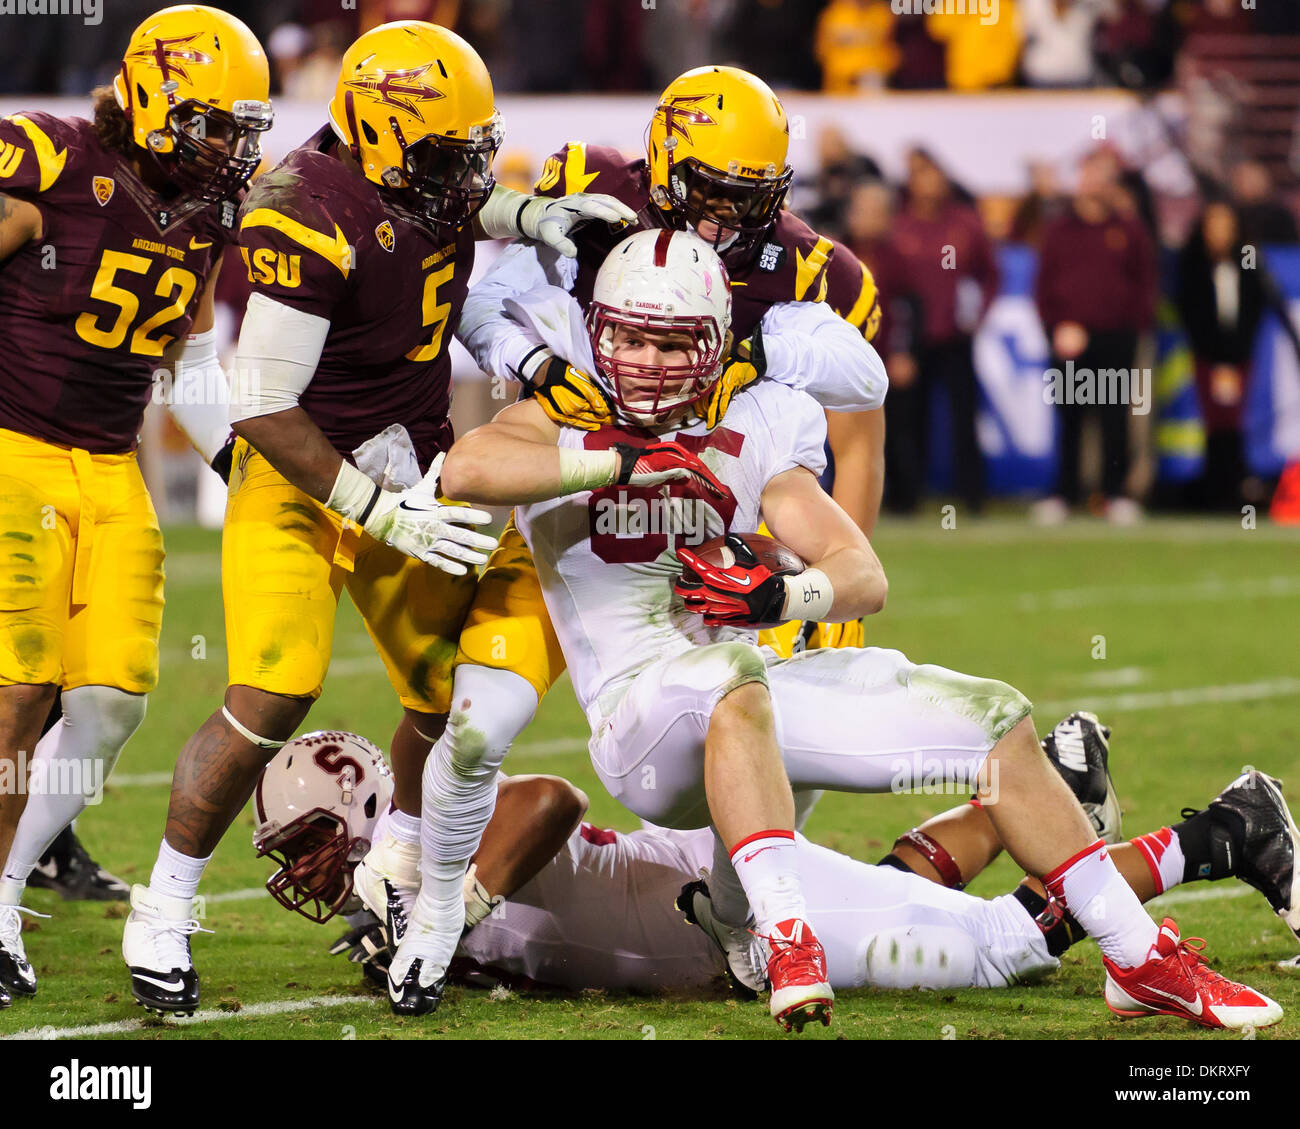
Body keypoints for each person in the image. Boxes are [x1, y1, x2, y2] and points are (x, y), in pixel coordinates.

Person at [433, 227, 1286, 1032]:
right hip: (641, 723)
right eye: (631, 339)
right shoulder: (561, 410)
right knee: (732, 674)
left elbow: (859, 571)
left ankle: (1138, 958)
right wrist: (621, 457)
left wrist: (783, 597)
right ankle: (783, 933)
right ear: (598, 333)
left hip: (747, 704)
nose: (648, 363)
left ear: (718, 345)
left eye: (674, 344)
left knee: (996, 719)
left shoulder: (755, 417)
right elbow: (469, 467)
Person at [118, 19, 636, 1018]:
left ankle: (397, 866)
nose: (468, 174)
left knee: (442, 700)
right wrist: (373, 512)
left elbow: (464, 203)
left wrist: (535, 217)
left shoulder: (416, 176)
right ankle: (165, 903)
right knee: (274, 693)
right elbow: (264, 404)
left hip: (410, 467)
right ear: (387, 136)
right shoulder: (303, 210)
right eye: (451, 154)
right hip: (304, 478)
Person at [389, 65, 888, 1020]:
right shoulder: (591, 196)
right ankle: (431, 906)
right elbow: (483, 312)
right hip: (572, 501)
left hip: (701, 528)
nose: (730, 218)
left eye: (753, 199)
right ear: (664, 165)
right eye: (714, 194)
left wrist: (749, 341)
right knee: (480, 716)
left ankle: (742, 918)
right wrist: (543, 373)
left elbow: (861, 375)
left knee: (777, 711)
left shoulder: (795, 270)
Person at [261, 720, 1294, 1026]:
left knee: (996, 952)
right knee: (905, 893)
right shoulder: (387, 908)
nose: (304, 868)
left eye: (307, 840)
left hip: (725, 905)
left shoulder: (438, 835)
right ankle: (1049, 789)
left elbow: (550, 800)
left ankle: (1226, 830)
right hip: (706, 920)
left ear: (358, 809)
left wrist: (452, 902)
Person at [0, 4, 276, 1007]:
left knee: (112, 701)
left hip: (110, 464)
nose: (227, 147)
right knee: (21, 691)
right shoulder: (52, 162)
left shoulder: (205, 213)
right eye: (214, 124)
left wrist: (242, 457)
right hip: (13, 446)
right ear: (156, 97)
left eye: (237, 129)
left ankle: (14, 871)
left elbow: (191, 359)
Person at [1032, 145, 1157, 524]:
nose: (1095, 183)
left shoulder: (1129, 229)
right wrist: (1056, 328)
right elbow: (1044, 286)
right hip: (1068, 338)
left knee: (1114, 416)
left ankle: (1115, 493)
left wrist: (1130, 329)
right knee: (1069, 417)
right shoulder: (1058, 229)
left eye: (1103, 177)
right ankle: (1064, 493)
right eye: (1089, 174)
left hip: (1115, 338)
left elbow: (1145, 284)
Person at [884, 147, 998, 515]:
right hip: (912, 341)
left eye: (932, 173)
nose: (928, 182)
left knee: (964, 418)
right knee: (909, 420)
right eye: (919, 175)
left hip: (955, 337)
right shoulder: (898, 225)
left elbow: (990, 273)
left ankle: (974, 497)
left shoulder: (965, 223)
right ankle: (909, 498)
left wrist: (978, 313)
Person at [1175, 200, 1267, 511]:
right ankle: (1216, 490)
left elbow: (1255, 304)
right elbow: (1192, 313)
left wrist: (1234, 355)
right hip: (1208, 356)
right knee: (1215, 420)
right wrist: (1216, 357)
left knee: (1234, 419)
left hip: (1239, 356)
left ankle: (1236, 488)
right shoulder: (1193, 264)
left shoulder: (1248, 260)